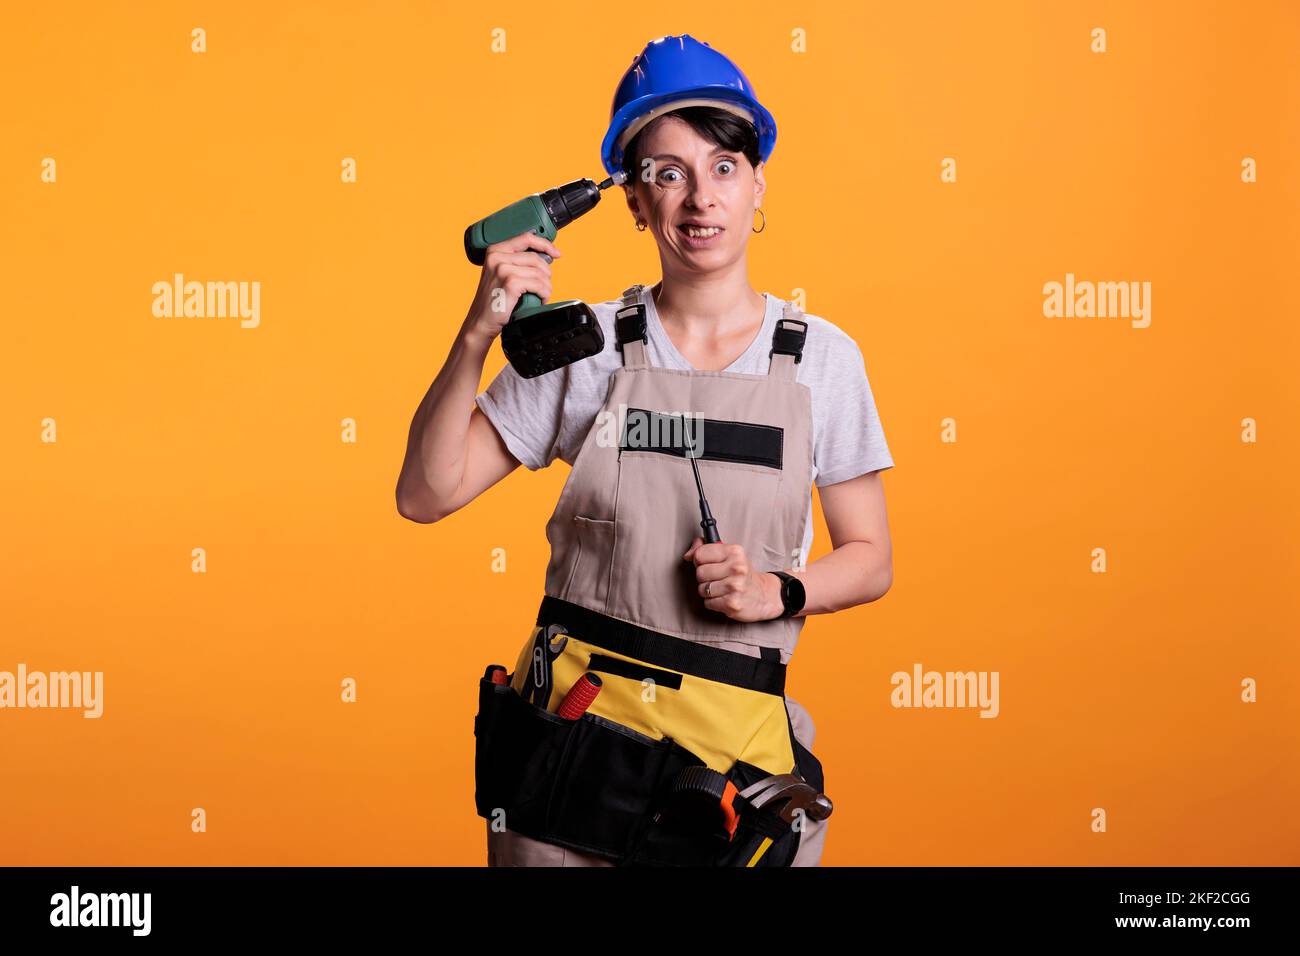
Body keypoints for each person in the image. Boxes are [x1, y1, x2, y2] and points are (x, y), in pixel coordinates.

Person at [396, 34, 894, 867]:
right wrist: (478, 334)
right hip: (570, 757)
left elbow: (872, 558)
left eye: (722, 167)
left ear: (757, 181)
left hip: (726, 773)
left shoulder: (823, 360)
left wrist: (780, 589)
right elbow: (426, 492)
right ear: (633, 200)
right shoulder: (581, 346)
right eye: (667, 172)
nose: (700, 198)